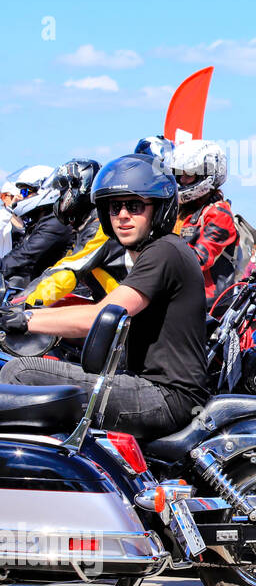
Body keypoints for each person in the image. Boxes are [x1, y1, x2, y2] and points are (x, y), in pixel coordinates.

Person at [0, 155, 208, 440]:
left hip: (165, 397)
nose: (123, 215)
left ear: (158, 209)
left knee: (20, 372)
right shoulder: (160, 251)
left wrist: (24, 319)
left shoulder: (165, 252)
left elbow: (102, 315)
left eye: (134, 206)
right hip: (158, 391)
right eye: (114, 206)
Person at [21, 159, 129, 306]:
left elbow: (69, 271)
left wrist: (25, 303)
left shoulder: (101, 226)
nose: (60, 196)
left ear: (80, 187)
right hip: (113, 305)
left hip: (127, 312)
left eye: (63, 190)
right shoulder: (90, 222)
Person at [171, 140, 240, 309]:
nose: (182, 180)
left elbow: (198, 260)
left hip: (205, 308)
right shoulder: (180, 211)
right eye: (179, 174)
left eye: (189, 175)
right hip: (177, 298)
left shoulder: (218, 213)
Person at [0, 169, 74, 290]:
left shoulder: (56, 222)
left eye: (25, 192)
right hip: (48, 287)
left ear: (46, 190)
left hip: (66, 293)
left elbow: (25, 255)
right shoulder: (41, 220)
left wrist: (1, 266)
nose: (21, 197)